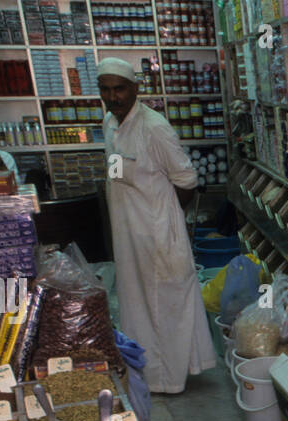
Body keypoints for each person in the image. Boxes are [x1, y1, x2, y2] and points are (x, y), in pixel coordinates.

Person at [98, 57, 216, 394]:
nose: (113, 96)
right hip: (127, 234)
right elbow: (120, 173)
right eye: (106, 89)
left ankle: (168, 379)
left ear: (135, 88)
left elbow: (188, 181)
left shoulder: (154, 127)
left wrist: (163, 220)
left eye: (119, 88)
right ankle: (149, 371)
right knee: (137, 302)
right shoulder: (110, 123)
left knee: (164, 301)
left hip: (157, 233)